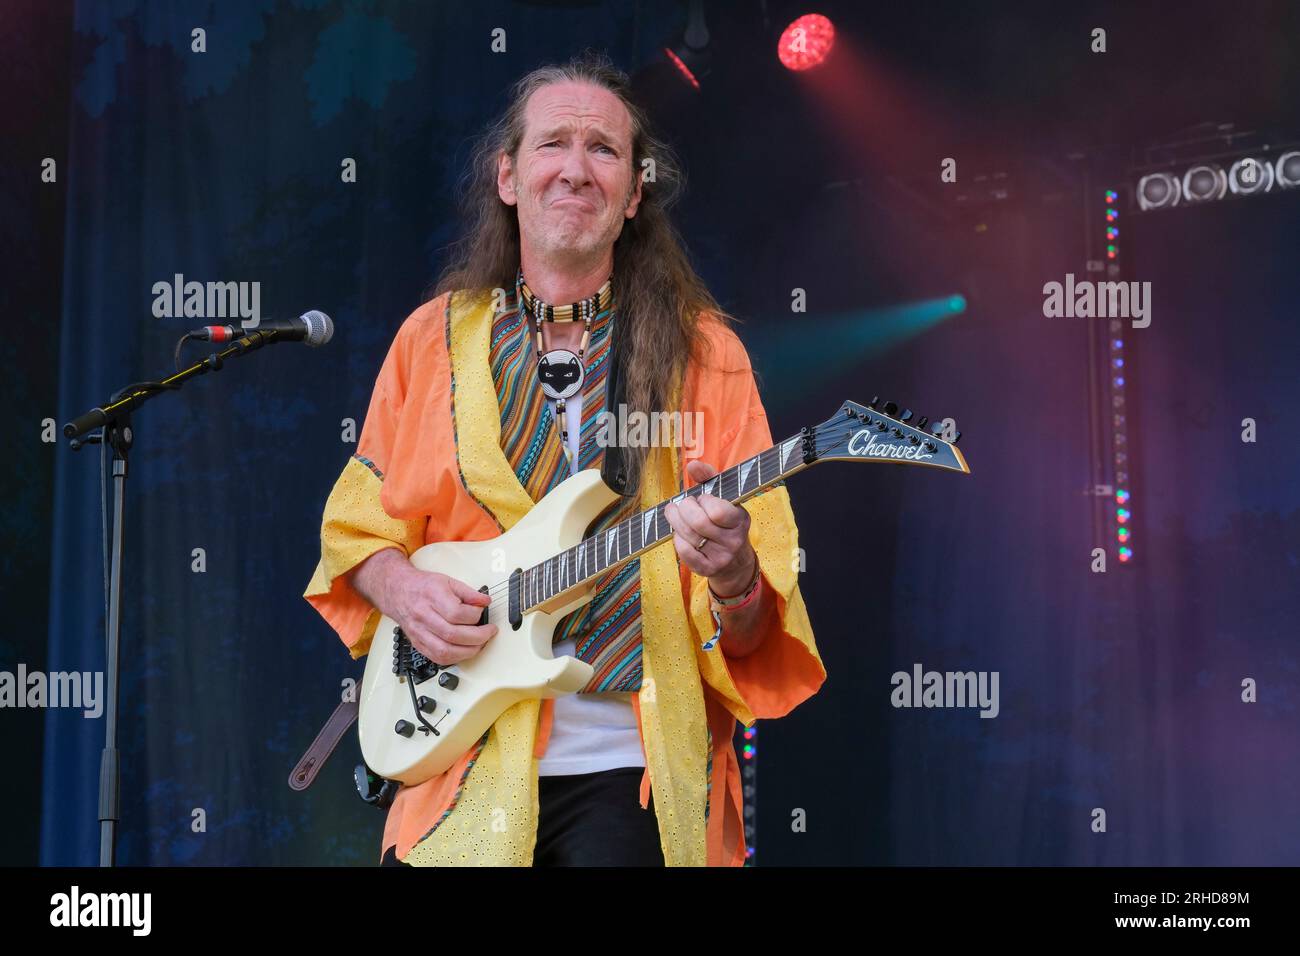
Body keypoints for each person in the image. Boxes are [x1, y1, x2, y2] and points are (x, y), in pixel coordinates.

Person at [303, 52, 825, 867]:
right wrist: (403, 591)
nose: (576, 170)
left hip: (632, 770)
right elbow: (353, 534)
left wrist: (736, 577)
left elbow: (757, 624)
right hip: (459, 765)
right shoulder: (431, 341)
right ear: (508, 178)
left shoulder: (705, 352)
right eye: (553, 145)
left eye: (604, 150)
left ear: (633, 194)